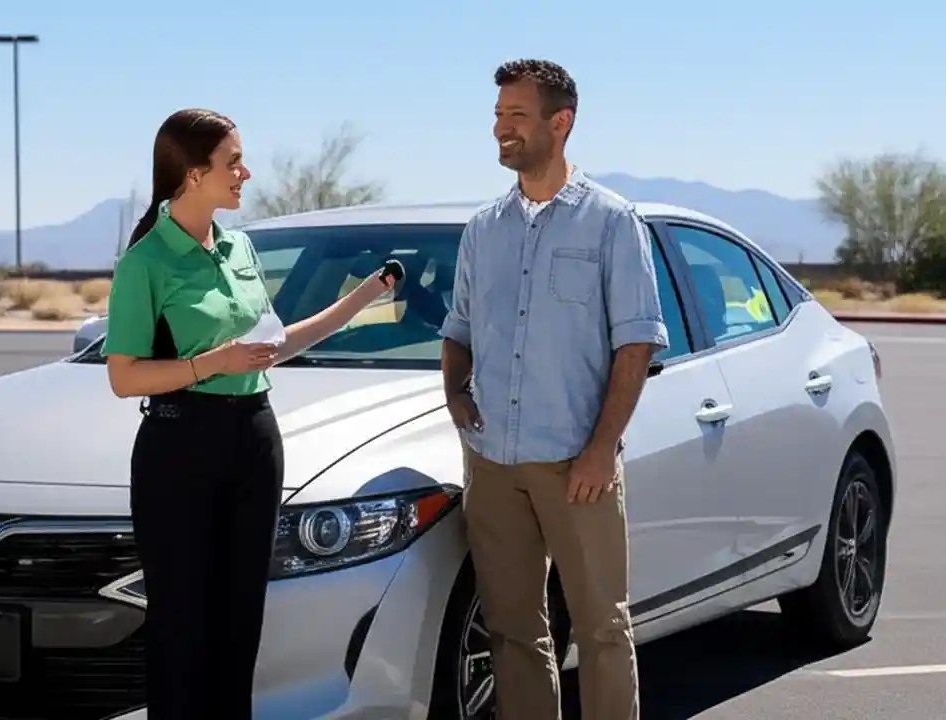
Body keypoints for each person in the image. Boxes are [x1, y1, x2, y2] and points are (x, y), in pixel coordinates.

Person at [101, 108, 396, 719]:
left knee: (241, 623)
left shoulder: (238, 247)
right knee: (182, 625)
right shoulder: (146, 263)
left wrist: (362, 298)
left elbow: (274, 345)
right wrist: (214, 361)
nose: (246, 172)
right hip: (180, 449)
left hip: (254, 441)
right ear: (190, 174)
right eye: (232, 162)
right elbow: (124, 376)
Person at [439, 60, 668, 720]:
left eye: (516, 116)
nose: (500, 130)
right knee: (513, 632)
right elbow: (458, 329)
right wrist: (457, 397)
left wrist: (602, 450)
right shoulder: (484, 229)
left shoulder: (611, 222)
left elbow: (637, 343)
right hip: (493, 465)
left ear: (559, 123)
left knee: (601, 630)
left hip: (577, 465)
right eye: (496, 116)